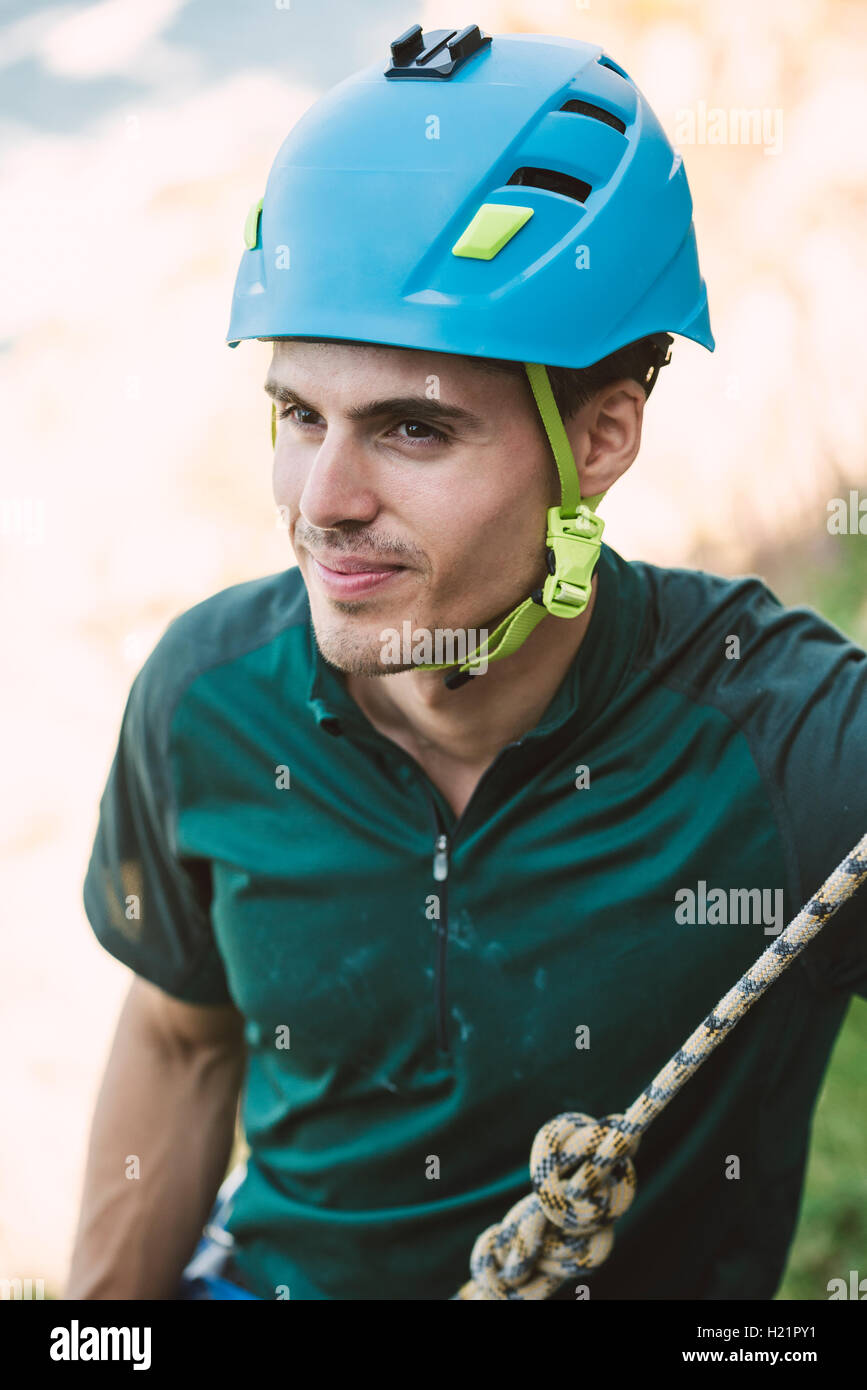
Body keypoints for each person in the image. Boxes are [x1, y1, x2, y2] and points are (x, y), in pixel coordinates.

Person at [66, 26, 866, 1302]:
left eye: (413, 429)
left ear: (601, 438)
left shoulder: (795, 753)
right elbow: (179, 1038)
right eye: (298, 416)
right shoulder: (204, 700)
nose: (323, 500)